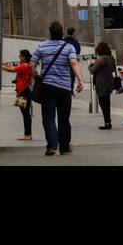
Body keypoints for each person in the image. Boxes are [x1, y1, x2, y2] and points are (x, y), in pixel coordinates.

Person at [30, 21, 85, 155]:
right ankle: (65, 148)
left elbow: (31, 65)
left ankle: (52, 146)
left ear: (50, 33)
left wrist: (36, 76)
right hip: (64, 88)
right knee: (64, 118)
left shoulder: (41, 47)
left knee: (48, 118)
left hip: (47, 87)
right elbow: (74, 62)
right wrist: (80, 79)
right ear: (61, 33)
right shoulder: (69, 47)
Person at [2, 49, 34, 141]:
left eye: (20, 56)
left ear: (24, 57)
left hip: (23, 92)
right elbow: (11, 67)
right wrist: (4, 64)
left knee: (25, 114)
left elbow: (10, 70)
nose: (19, 57)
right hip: (24, 92)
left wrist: (1, 66)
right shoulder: (26, 66)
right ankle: (28, 134)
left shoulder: (24, 66)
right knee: (26, 113)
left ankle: (27, 135)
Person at [90, 40, 118, 129]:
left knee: (103, 104)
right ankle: (108, 122)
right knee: (107, 103)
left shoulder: (101, 59)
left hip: (102, 84)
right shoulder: (111, 58)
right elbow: (113, 69)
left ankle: (107, 123)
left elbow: (93, 70)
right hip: (109, 83)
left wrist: (89, 65)